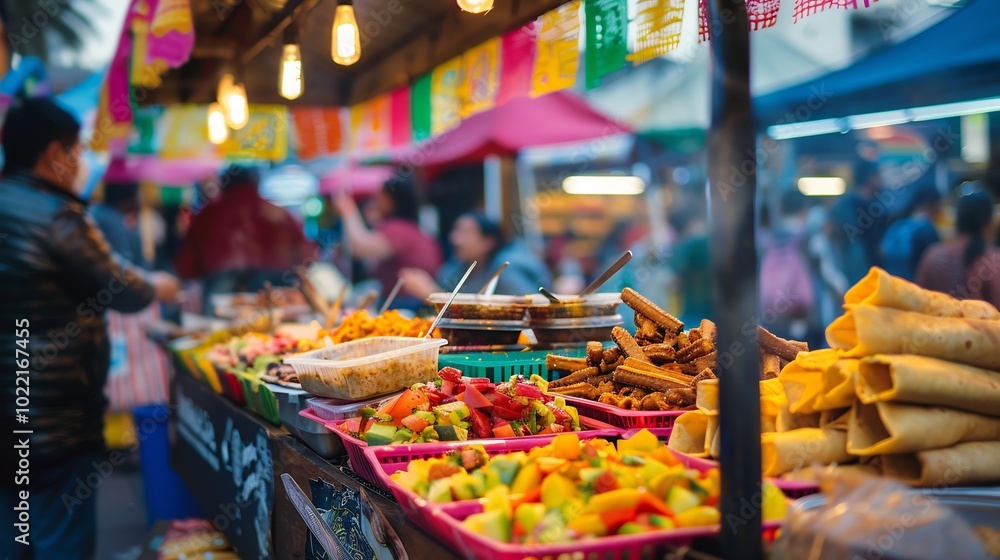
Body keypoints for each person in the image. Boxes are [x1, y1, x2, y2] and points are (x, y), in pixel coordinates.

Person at [0, 97, 180, 559]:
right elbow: (123, 287)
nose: (80, 162)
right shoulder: (56, 214)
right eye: (76, 151)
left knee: (14, 536)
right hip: (52, 419)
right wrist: (160, 285)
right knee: (60, 538)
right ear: (52, 154)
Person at [174, 165, 315, 313]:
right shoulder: (277, 211)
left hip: (221, 286)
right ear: (257, 182)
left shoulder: (208, 212)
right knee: (276, 331)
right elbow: (307, 255)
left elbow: (186, 264)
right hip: (275, 285)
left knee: (218, 332)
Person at [334, 174, 442, 309]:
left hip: (406, 306)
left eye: (380, 197)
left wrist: (347, 209)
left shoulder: (397, 229)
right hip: (411, 303)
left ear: (392, 200)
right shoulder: (410, 228)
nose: (376, 202)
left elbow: (359, 247)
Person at [401, 212, 552, 298]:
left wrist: (432, 294)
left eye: (466, 233)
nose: (455, 239)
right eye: (456, 231)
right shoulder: (454, 270)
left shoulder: (508, 270)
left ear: (488, 242)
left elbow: (526, 308)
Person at [916, 188, 1000, 308]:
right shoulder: (994, 259)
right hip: (981, 326)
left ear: (957, 221)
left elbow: (919, 301)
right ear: (988, 223)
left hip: (937, 325)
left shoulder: (932, 255)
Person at [828, 160, 889, 286]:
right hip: (858, 271)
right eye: (878, 175)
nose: (881, 179)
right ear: (869, 177)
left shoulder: (874, 203)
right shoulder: (850, 204)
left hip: (869, 271)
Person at [880, 182, 941, 281]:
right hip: (914, 288)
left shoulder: (897, 225)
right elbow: (937, 263)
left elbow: (882, 252)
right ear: (933, 205)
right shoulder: (927, 229)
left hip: (891, 284)